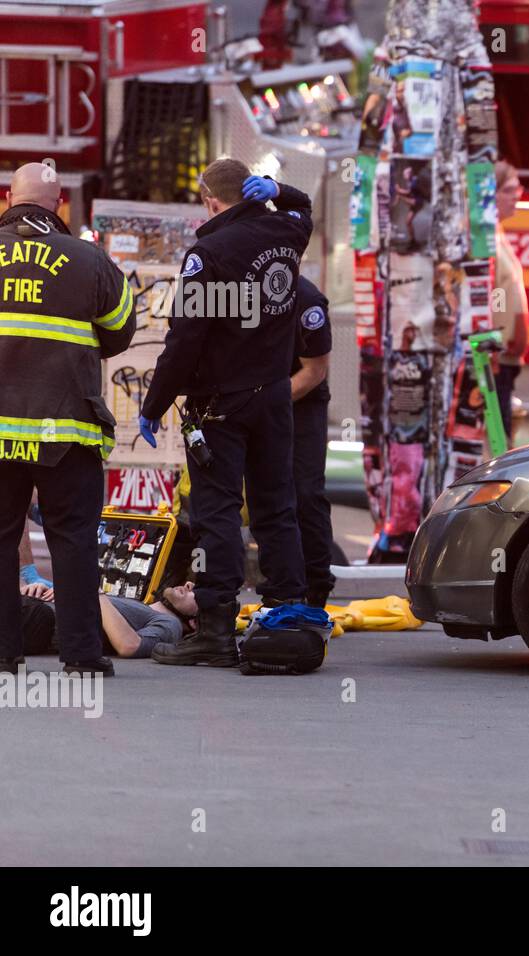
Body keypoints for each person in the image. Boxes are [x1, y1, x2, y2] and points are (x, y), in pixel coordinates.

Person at [139, 158, 312, 667]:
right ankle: (287, 618)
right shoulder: (286, 232)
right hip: (275, 396)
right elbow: (305, 210)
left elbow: (185, 339)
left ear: (210, 200)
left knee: (217, 512)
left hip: (222, 404)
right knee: (276, 506)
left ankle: (215, 628)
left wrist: (152, 405)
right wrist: (281, 189)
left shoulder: (208, 252)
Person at [0, 162, 136, 677]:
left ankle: (3, 653)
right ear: (59, 205)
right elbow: (121, 331)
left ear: (11, 198)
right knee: (73, 538)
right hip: (66, 430)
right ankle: (81, 655)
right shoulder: (88, 259)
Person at [290, 275, 335, 608]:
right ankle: (283, 584)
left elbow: (315, 371)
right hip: (263, 399)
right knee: (271, 495)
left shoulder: (307, 299)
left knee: (305, 492)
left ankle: (315, 586)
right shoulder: (245, 288)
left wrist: (267, 400)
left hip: (301, 405)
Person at [20, 580, 197, 660]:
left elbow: (129, 646)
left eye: (199, 594)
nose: (190, 585)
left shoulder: (170, 624)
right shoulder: (143, 605)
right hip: (36, 609)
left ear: (195, 623)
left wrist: (91, 590)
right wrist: (42, 590)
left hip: (41, 620)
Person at [492, 161, 529, 443]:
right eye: (509, 190)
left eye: (518, 188)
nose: (517, 195)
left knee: (502, 438)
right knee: (496, 441)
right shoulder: (485, 242)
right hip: (495, 362)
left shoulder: (499, 236)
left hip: (506, 361)